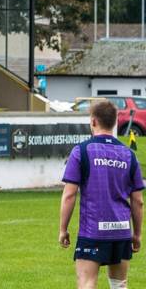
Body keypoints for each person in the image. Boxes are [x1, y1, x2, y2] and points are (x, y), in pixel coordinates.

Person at [60, 99, 144, 289]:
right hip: (121, 231)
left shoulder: (81, 151)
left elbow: (69, 195)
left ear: (93, 121)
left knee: (87, 283)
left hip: (93, 232)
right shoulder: (129, 155)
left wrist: (63, 229)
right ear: (114, 122)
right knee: (119, 285)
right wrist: (137, 234)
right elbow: (138, 201)